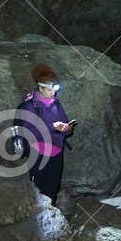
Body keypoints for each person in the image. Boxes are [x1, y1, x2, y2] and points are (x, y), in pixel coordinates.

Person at [16, 64, 75, 200]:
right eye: (50, 90)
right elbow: (29, 130)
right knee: (39, 189)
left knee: (53, 188)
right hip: (39, 154)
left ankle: (52, 212)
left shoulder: (56, 103)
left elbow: (64, 122)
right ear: (41, 88)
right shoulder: (29, 105)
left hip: (56, 152)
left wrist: (67, 128)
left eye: (56, 89)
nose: (53, 93)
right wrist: (52, 126)